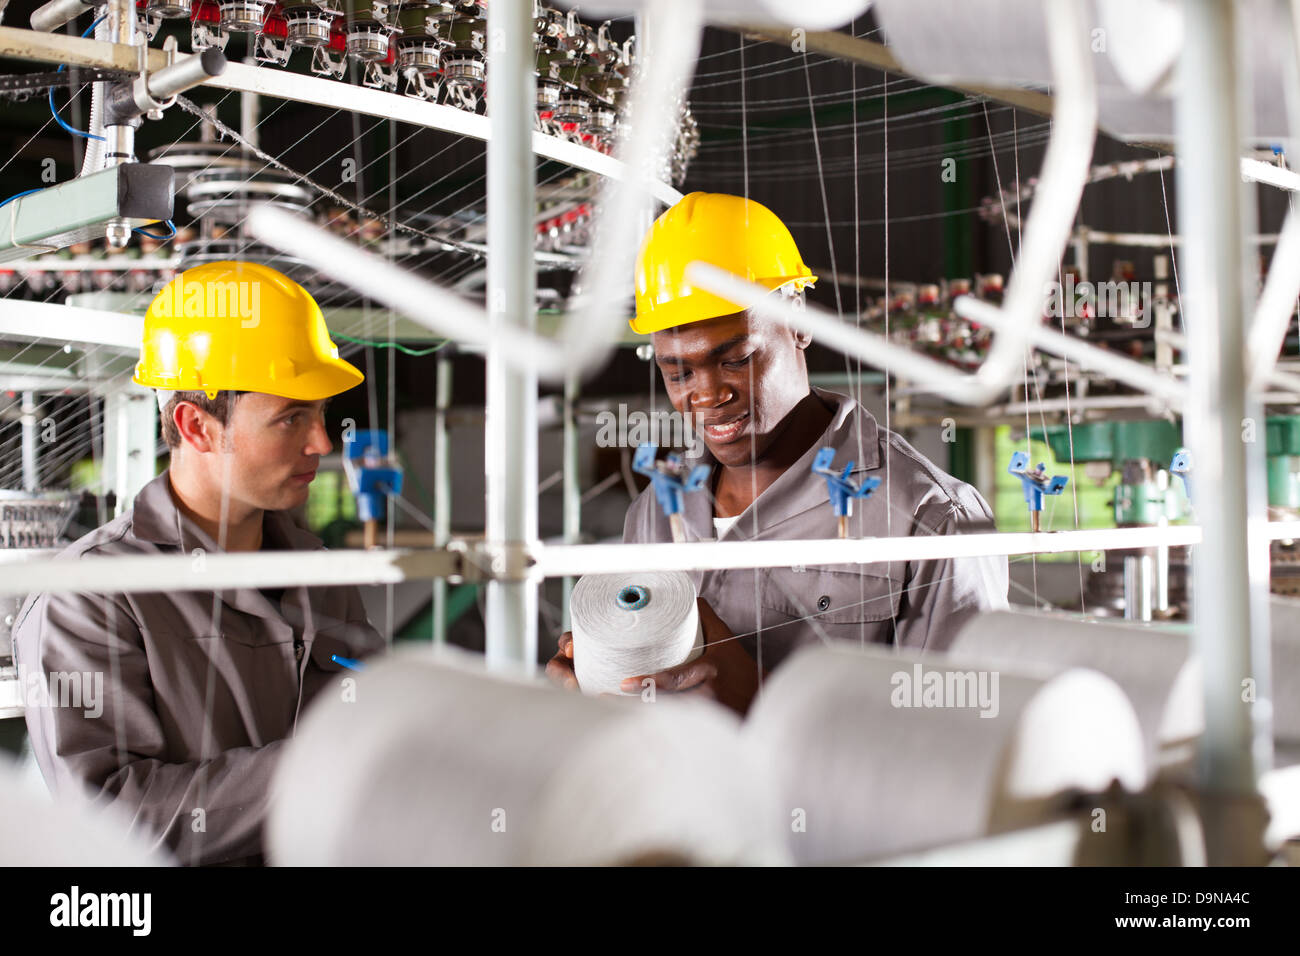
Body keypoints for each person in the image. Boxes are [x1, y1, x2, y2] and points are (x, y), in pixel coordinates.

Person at [548, 192, 1009, 714]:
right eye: (678, 373)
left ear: (798, 322)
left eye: (737, 359)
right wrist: (595, 684)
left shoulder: (932, 519)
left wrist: (763, 704)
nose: (706, 396)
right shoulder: (654, 513)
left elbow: (965, 740)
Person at [13, 261, 385, 865]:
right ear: (197, 426)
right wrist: (332, 767)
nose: (322, 443)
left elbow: (382, 722)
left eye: (320, 415)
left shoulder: (317, 574)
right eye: (292, 417)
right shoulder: (92, 594)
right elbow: (111, 819)